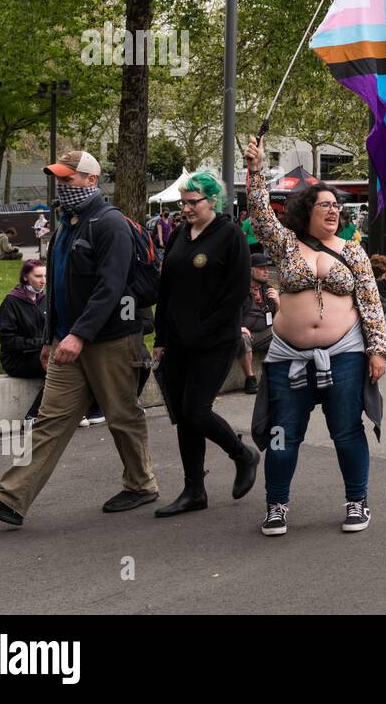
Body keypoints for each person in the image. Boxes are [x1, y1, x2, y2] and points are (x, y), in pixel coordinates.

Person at [0, 150, 159, 527]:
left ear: (91, 180)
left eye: (68, 179)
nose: (60, 185)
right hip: (71, 340)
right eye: (58, 178)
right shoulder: (68, 223)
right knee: (49, 421)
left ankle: (141, 483)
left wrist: (79, 336)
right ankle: (11, 498)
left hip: (112, 339)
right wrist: (53, 337)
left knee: (122, 416)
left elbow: (111, 287)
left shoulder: (109, 223)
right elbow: (56, 287)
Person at [244, 136, 386, 536]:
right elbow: (259, 216)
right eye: (325, 204)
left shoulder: (353, 250)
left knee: (346, 430)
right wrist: (255, 171)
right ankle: (276, 506)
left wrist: (377, 350)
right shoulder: (286, 245)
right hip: (289, 357)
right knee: (282, 434)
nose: (333, 210)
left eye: (336, 206)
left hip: (343, 356)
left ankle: (357, 502)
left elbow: (371, 302)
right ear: (306, 210)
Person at [152, 171, 258, 518]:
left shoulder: (229, 236)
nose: (185, 208)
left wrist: (203, 328)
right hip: (178, 342)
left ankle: (242, 454)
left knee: (196, 411)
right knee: (184, 417)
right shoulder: (180, 234)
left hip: (214, 341)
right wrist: (161, 337)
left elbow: (236, 292)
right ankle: (193, 489)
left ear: (213, 201)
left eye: (192, 202)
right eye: (182, 202)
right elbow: (166, 289)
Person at [0, 260, 48, 425]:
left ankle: (75, 412)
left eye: (45, 276)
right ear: (26, 277)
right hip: (17, 359)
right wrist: (41, 343)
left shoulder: (45, 299)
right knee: (58, 369)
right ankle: (33, 416)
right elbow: (8, 341)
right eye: (38, 276)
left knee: (74, 366)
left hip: (42, 353)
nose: (43, 280)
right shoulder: (11, 302)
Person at [238, 252, 279, 393]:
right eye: (261, 268)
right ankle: (250, 379)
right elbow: (228, 313)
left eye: (267, 268)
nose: (266, 271)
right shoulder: (240, 289)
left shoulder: (268, 290)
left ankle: (281, 375)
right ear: (250, 270)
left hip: (264, 334)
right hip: (243, 335)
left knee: (285, 333)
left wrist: (278, 303)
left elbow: (280, 320)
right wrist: (238, 327)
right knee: (242, 338)